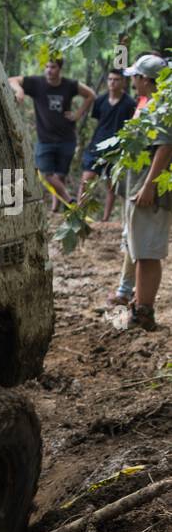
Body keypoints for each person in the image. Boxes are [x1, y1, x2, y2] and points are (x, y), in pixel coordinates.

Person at [111, 53, 172, 331]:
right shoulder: (146, 105)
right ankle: (138, 303)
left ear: (145, 80)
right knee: (139, 250)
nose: (132, 81)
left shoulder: (158, 109)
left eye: (135, 77)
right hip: (137, 188)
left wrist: (149, 186)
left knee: (147, 252)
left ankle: (144, 311)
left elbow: (165, 147)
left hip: (147, 192)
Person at [10, 57, 96, 210]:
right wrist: (19, 90)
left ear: (60, 69)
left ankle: (55, 208)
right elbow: (12, 80)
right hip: (45, 139)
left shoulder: (69, 85)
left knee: (59, 175)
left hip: (66, 138)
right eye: (47, 67)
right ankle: (70, 201)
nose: (49, 70)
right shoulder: (37, 83)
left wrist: (78, 114)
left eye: (53, 67)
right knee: (46, 174)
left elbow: (91, 95)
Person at [77, 69, 137, 221]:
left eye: (116, 79)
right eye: (110, 79)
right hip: (97, 145)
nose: (112, 82)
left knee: (112, 184)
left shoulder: (130, 103)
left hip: (118, 148)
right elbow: (98, 120)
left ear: (123, 82)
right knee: (87, 178)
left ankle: (105, 219)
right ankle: (78, 213)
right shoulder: (100, 101)